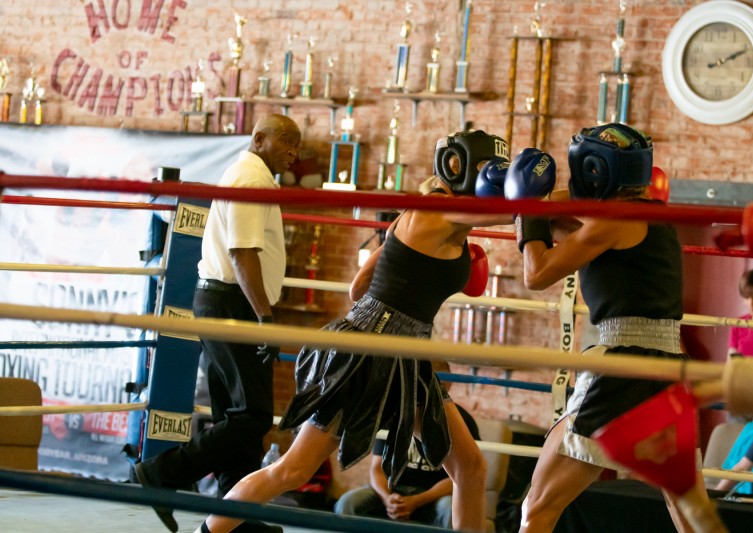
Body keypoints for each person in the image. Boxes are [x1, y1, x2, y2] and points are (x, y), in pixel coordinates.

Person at [194, 129, 514, 533]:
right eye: (491, 170)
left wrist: (412, 329)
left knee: (469, 466)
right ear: (463, 168)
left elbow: (359, 285)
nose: (496, 181)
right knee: (291, 470)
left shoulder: (430, 218)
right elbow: (517, 212)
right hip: (365, 355)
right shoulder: (439, 209)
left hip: (404, 358)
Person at [502, 123, 708, 532]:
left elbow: (537, 273)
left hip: (623, 371)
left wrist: (526, 206)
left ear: (592, 169)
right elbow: (568, 220)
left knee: (537, 509)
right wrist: (534, 203)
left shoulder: (610, 222)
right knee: (689, 513)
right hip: (668, 372)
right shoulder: (650, 215)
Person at [135, 114, 301, 533]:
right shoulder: (251, 179)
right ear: (259, 138)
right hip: (234, 303)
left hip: (224, 300)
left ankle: (236, 518)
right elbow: (244, 253)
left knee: (236, 417)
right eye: (286, 141)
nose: (293, 151)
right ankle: (160, 473)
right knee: (253, 416)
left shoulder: (252, 176)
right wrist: (265, 317)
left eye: (296, 144)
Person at [334, 362, 481, 529]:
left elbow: (463, 475)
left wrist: (417, 501)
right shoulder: (392, 413)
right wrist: (387, 499)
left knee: (449, 509)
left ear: (447, 384)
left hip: (433, 498)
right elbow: (376, 468)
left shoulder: (462, 422)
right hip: (394, 494)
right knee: (348, 503)